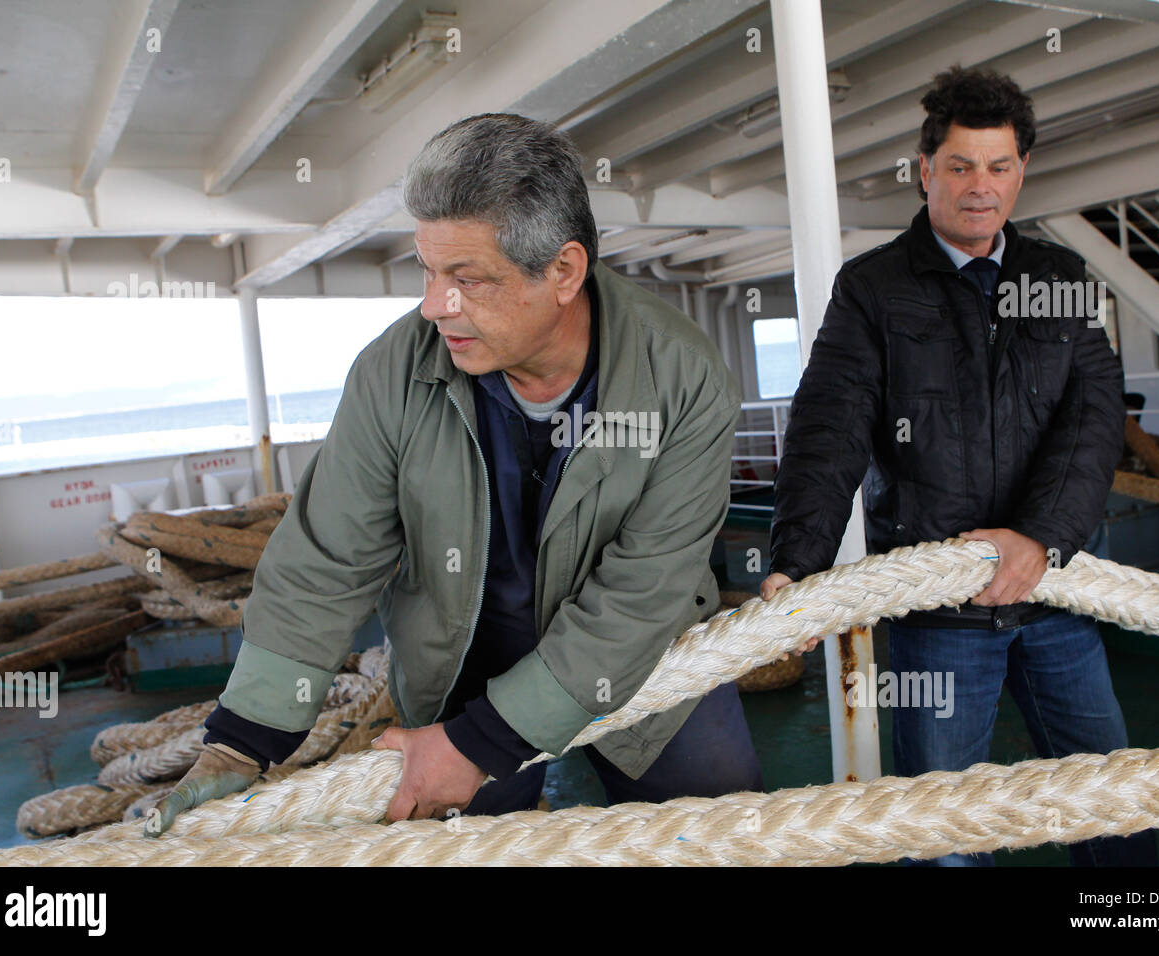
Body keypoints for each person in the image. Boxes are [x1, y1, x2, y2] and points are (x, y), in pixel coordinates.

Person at [146, 113, 762, 836]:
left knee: (724, 834)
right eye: (429, 272)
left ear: (563, 272)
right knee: (454, 852)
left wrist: (485, 746)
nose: (435, 305)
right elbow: (327, 560)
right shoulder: (394, 374)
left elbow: (644, 591)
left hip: (645, 659)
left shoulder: (682, 378)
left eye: (467, 279)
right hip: (459, 662)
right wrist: (240, 741)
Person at [761, 67, 1156, 866]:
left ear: (1022, 172)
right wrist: (794, 562)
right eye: (961, 166)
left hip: (1057, 597)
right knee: (942, 839)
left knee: (1114, 810)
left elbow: (1090, 420)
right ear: (925, 170)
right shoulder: (874, 289)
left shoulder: (1057, 280)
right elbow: (829, 426)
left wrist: (1039, 539)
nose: (982, 187)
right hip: (939, 613)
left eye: (1000, 167)